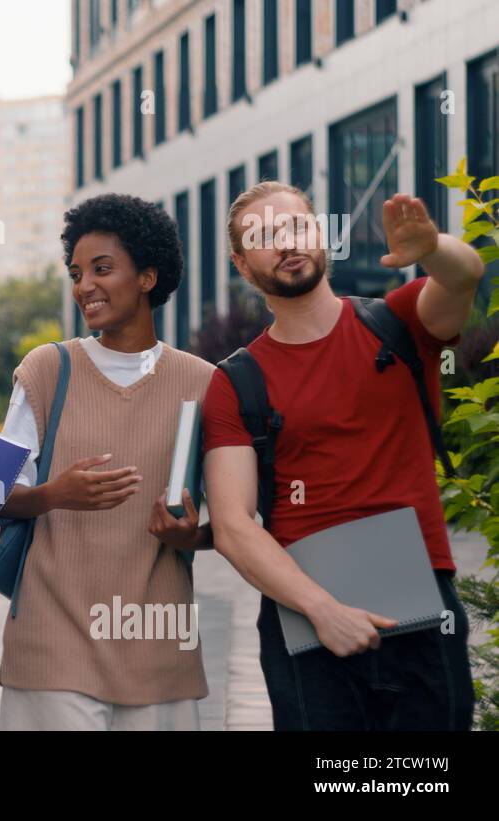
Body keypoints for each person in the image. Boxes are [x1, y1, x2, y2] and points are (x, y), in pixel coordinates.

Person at [202, 181, 483, 730]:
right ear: (241, 262)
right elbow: (234, 527)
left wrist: (432, 250)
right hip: (304, 622)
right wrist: (322, 610)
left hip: (421, 604)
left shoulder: (397, 324)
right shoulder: (235, 382)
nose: (286, 243)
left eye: (296, 225)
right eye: (264, 236)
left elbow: (465, 274)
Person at [0, 193, 215, 731]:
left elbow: (237, 520)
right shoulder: (48, 369)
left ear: (146, 277)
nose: (84, 285)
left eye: (102, 269)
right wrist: (54, 494)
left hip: (157, 640)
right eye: (76, 273)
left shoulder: (205, 383)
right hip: (53, 640)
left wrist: (192, 536)